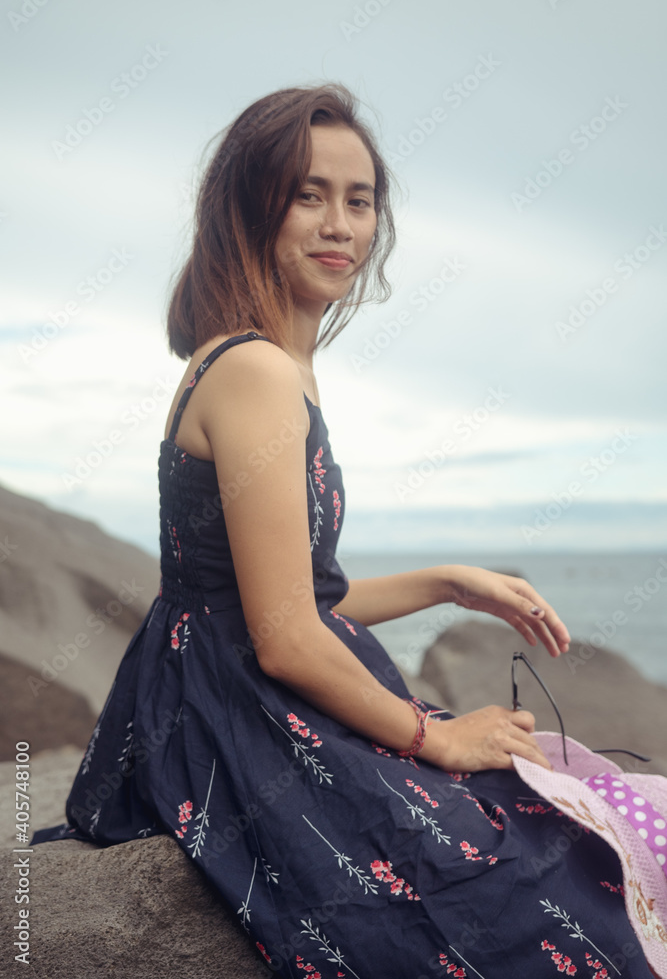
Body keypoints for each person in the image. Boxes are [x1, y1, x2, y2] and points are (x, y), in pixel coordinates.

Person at [32, 83, 660, 978]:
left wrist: (448, 581)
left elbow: (289, 595)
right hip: (233, 714)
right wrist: (434, 736)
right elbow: (286, 637)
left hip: (219, 681)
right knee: (522, 879)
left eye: (357, 200)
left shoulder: (270, 362)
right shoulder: (253, 371)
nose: (339, 224)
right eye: (307, 194)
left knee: (543, 815)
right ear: (250, 210)